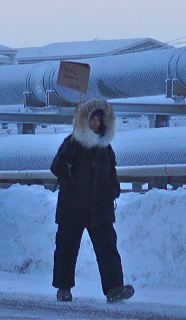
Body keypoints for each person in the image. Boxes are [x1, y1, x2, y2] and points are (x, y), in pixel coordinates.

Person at [50, 99, 134, 303]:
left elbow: (110, 171)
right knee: (67, 248)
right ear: (85, 121)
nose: (96, 122)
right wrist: (66, 158)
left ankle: (114, 288)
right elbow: (57, 168)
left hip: (99, 208)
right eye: (92, 118)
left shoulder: (105, 147)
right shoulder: (72, 142)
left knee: (107, 248)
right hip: (72, 206)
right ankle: (64, 288)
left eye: (99, 119)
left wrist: (114, 189)